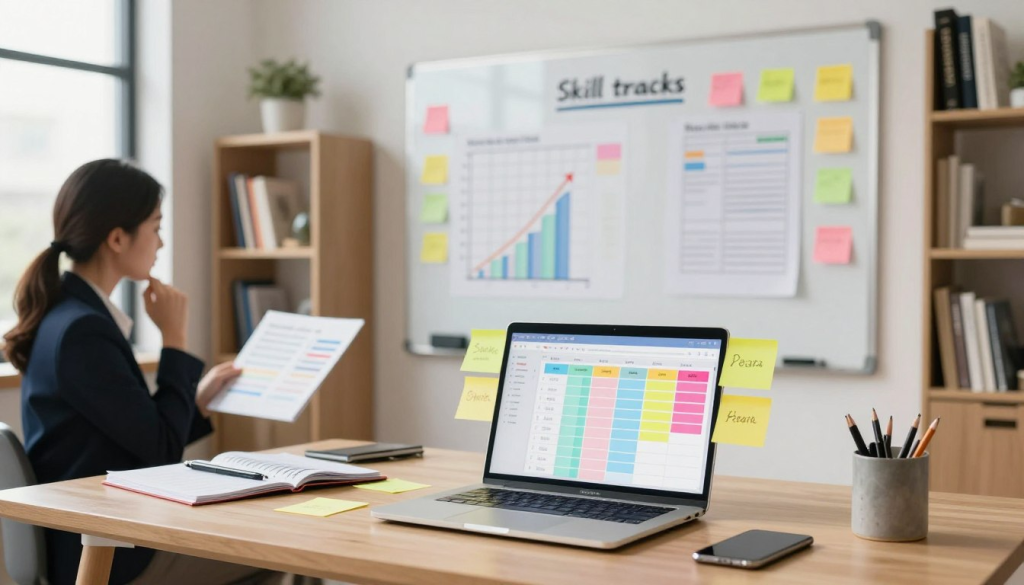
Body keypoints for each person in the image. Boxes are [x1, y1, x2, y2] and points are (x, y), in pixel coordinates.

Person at [3, 160, 275, 584]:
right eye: (156, 226)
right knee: (270, 552)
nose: (161, 243)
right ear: (116, 238)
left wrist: (196, 398)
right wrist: (175, 339)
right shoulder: (83, 330)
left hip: (100, 534)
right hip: (107, 551)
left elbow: (136, 435)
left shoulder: (69, 315)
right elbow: (161, 451)